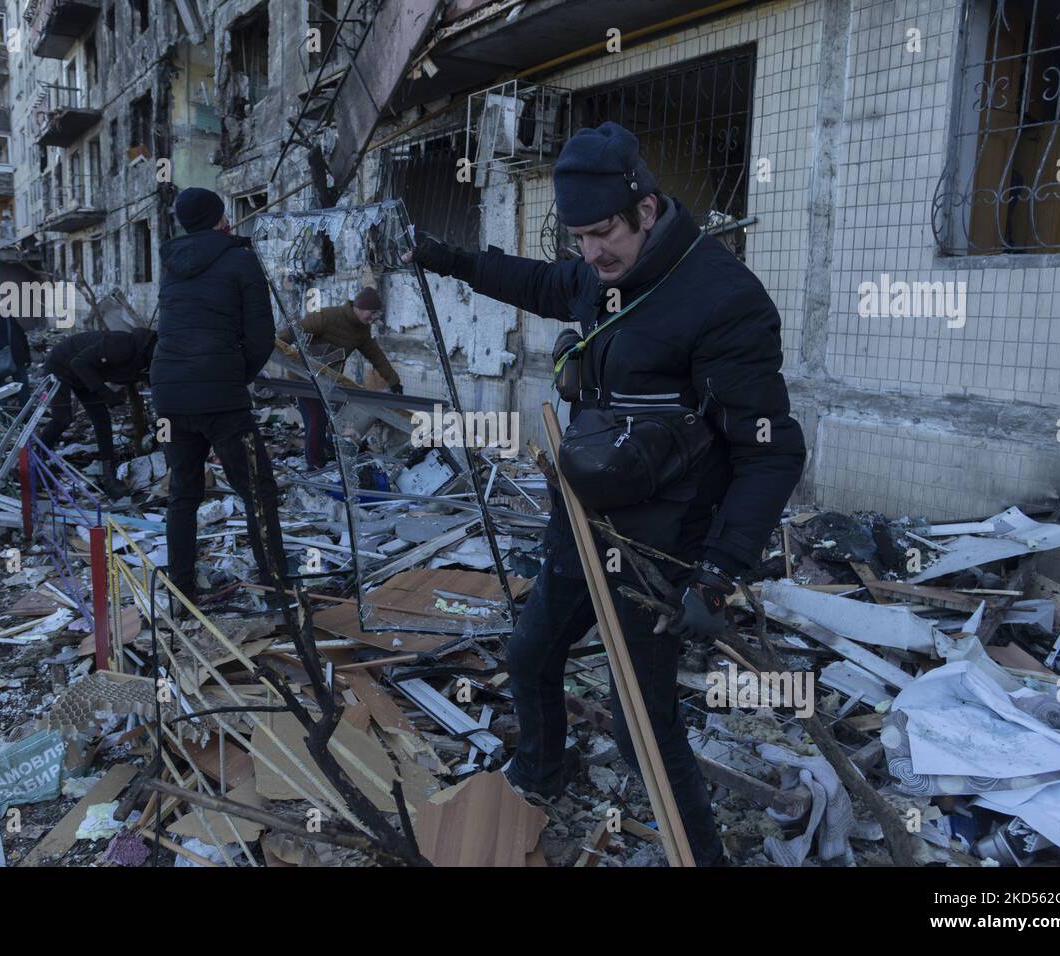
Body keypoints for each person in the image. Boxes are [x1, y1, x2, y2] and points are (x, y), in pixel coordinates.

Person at [403, 121, 806, 866]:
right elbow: (540, 281)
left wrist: (720, 573)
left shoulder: (722, 299)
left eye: (603, 234)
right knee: (530, 656)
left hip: (659, 549)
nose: (591, 254)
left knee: (641, 724)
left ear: (646, 209)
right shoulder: (600, 275)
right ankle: (540, 772)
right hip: (581, 523)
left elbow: (772, 452)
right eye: (579, 237)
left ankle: (700, 856)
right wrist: (446, 259)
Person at [149, 186, 287, 607]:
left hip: (168, 396)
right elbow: (262, 337)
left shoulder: (172, 263)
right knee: (257, 490)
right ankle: (276, 586)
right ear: (220, 217)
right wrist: (232, 377)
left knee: (183, 494)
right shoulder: (241, 259)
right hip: (221, 397)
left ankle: (182, 591)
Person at [277, 286, 402, 469]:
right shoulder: (328, 316)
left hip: (327, 381)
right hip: (303, 378)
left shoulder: (361, 331)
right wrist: (278, 347)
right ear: (359, 307)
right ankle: (315, 464)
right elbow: (295, 330)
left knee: (325, 419)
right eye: (371, 312)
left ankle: (327, 449)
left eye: (376, 313)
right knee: (317, 418)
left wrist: (394, 381)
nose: (373, 317)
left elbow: (376, 356)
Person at [37, 328, 157, 500]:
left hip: (86, 373)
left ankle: (109, 477)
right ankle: (34, 463)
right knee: (62, 418)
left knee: (102, 419)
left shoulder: (150, 360)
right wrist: (107, 394)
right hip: (61, 364)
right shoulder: (123, 345)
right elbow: (79, 363)